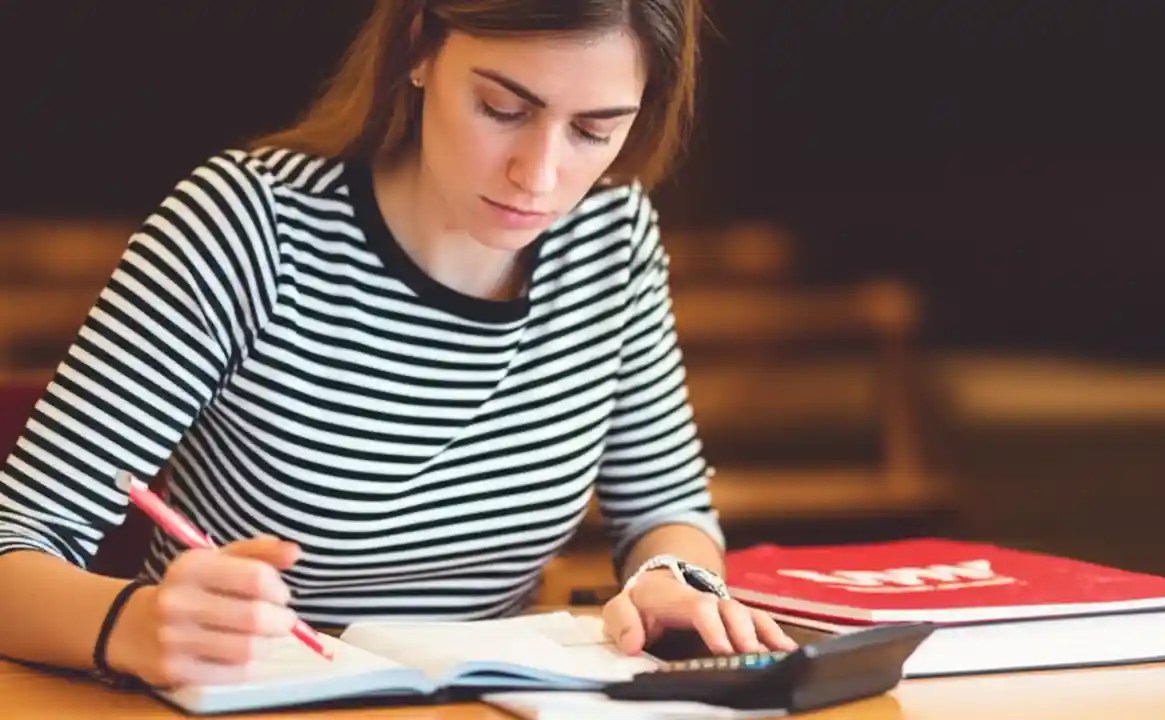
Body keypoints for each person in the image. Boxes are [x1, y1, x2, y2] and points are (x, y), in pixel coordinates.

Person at [0, 0, 797, 689]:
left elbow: (664, 508)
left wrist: (673, 577)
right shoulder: (246, 229)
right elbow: (12, 550)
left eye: (595, 130)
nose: (540, 176)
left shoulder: (610, 239)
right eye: (503, 109)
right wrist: (133, 624)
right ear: (418, 46)